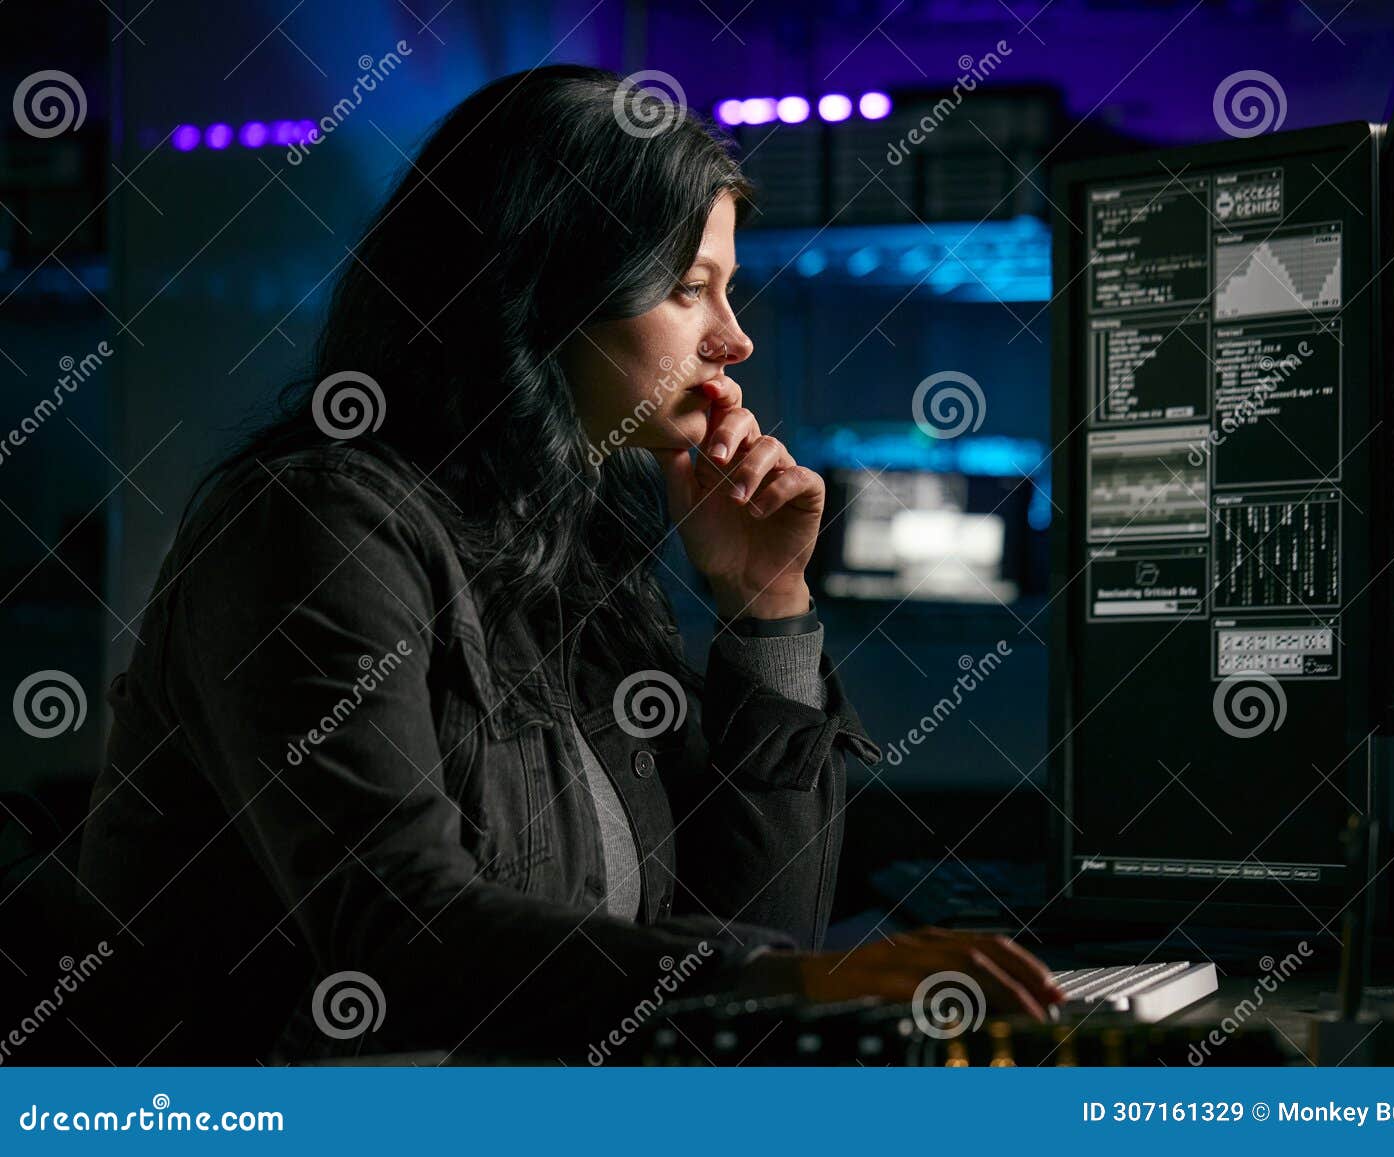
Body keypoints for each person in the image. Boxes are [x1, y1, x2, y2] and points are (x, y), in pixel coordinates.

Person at [76, 64, 1062, 1063]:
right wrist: (775, 978)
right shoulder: (313, 523)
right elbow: (395, 933)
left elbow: (748, 948)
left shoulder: (568, 559)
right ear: (543, 289)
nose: (735, 338)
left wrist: (766, 608)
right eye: (690, 290)